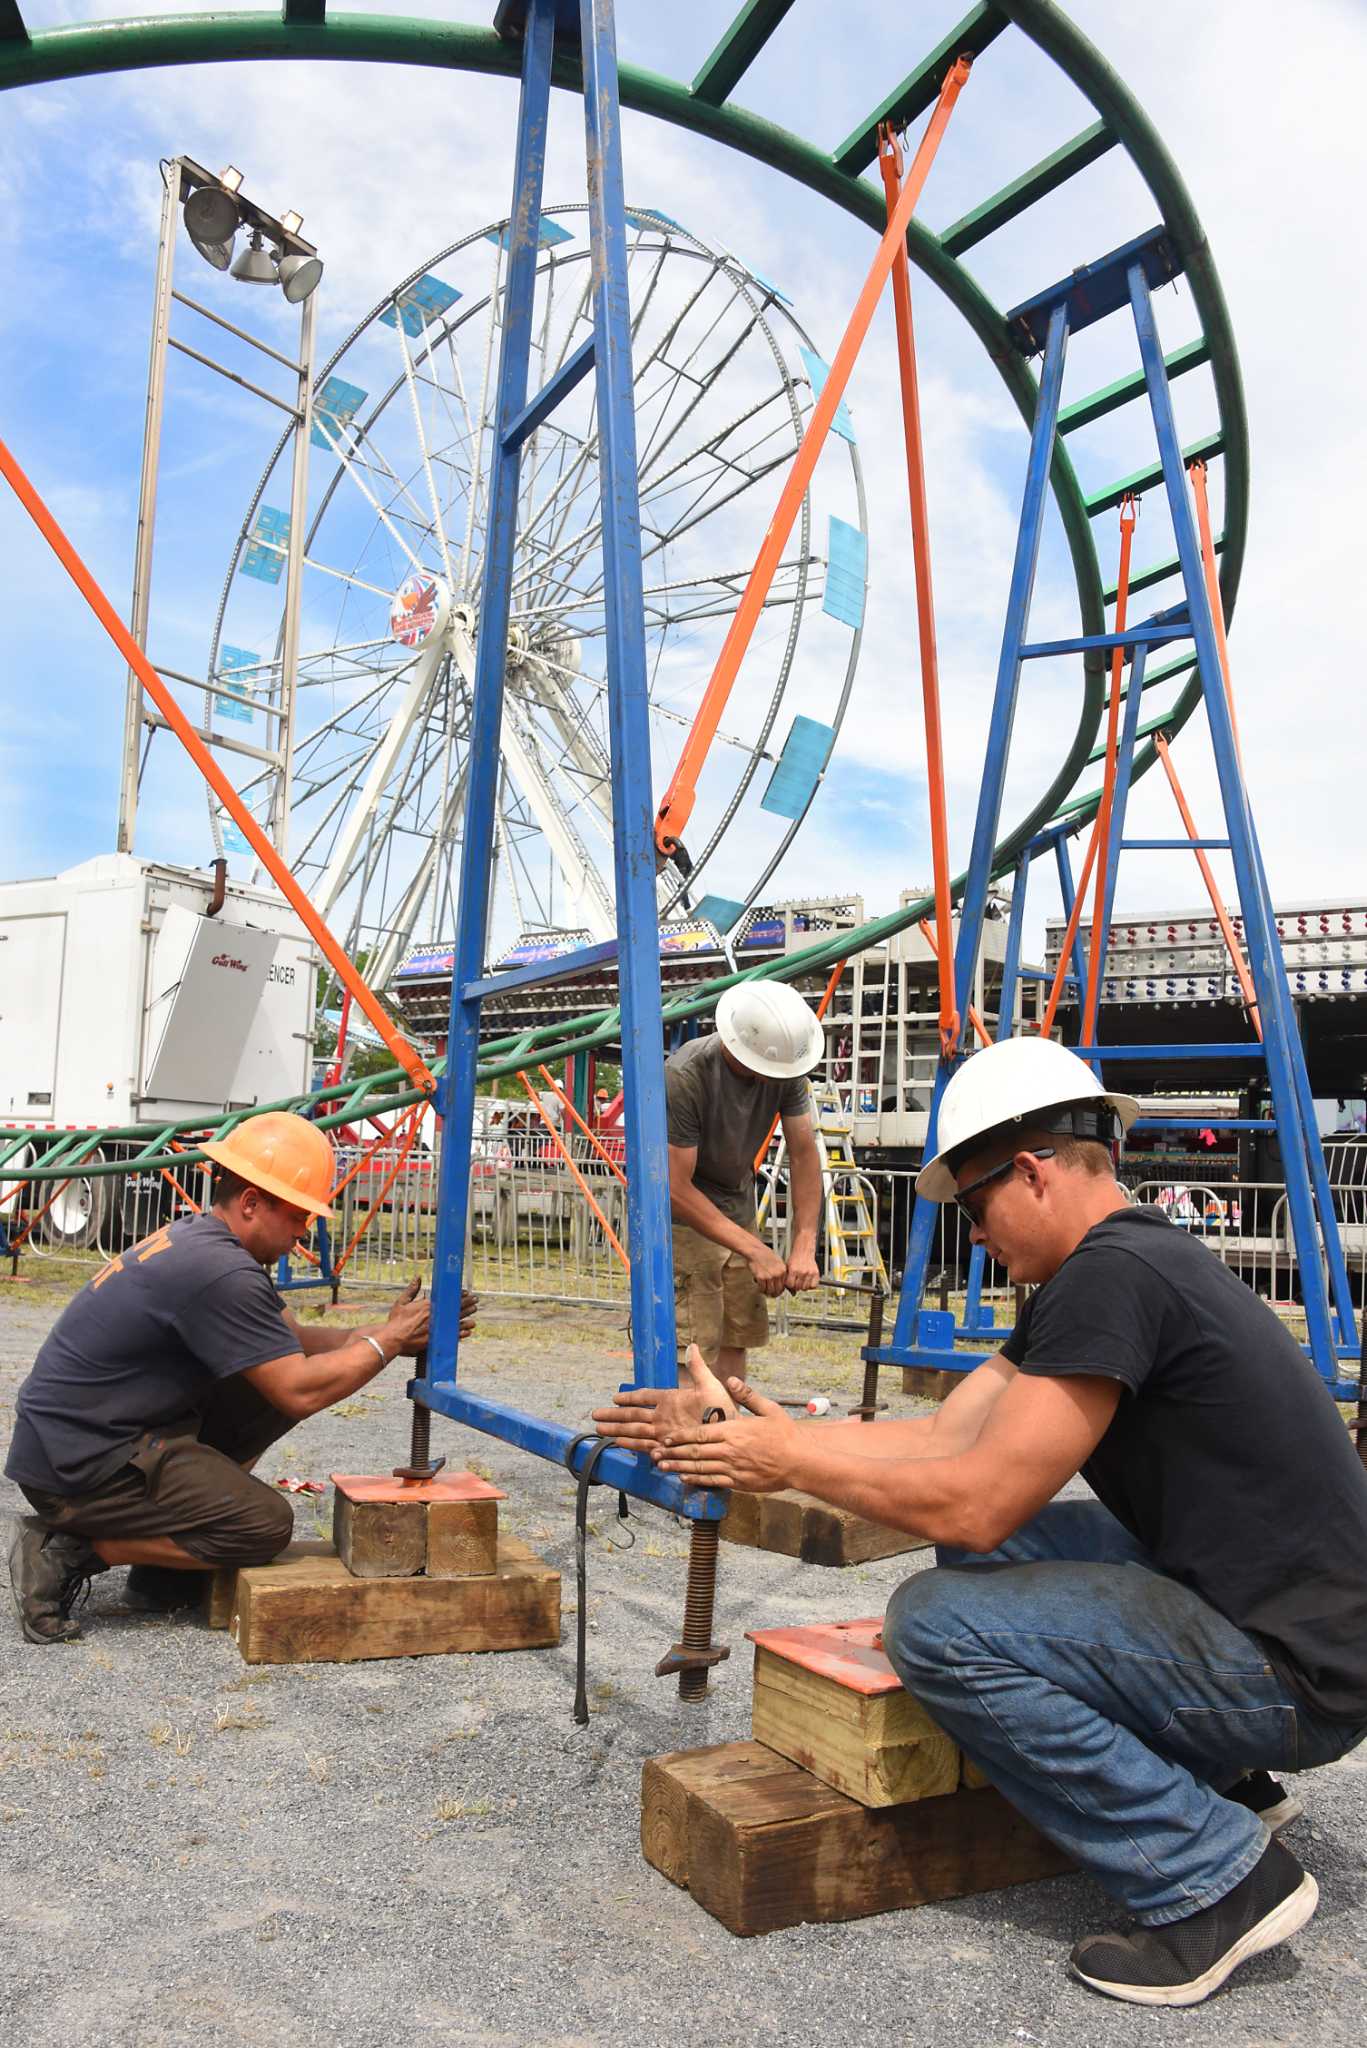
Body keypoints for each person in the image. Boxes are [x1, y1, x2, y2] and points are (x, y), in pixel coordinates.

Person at [595, 1035, 1367, 2008]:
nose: (974, 1232)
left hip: (1296, 1673)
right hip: (1288, 1623)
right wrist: (756, 1431)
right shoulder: (1114, 1266)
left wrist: (785, 1463)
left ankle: (1210, 1876)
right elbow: (942, 1438)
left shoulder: (1108, 1277)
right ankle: (1222, 1773)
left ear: (1032, 1170)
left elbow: (977, 1493)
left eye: (971, 1205)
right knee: (979, 1553)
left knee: (933, 1620)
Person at [5, 1111, 474, 1646]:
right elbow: (297, 1390)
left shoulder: (203, 1242)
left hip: (86, 1440)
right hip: (81, 1467)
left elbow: (290, 1343)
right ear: (251, 1202)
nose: (302, 1234)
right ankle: (69, 1549)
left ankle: (162, 1568)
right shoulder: (221, 1271)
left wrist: (389, 1330)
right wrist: (388, 1343)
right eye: (297, 1217)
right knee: (261, 1525)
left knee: (258, 1393)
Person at [667, 980, 825, 1378]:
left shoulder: (785, 1067)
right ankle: (691, 1433)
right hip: (683, 1217)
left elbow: (804, 1153)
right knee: (693, 1341)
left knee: (740, 1327)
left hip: (736, 1203)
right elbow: (675, 1188)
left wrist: (805, 1243)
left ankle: (728, 1429)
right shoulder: (686, 1075)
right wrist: (756, 1250)